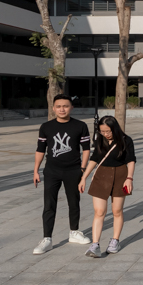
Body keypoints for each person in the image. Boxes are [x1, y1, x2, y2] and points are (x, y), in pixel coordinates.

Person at [32, 94, 90, 254]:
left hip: (73, 170)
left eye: (65, 106)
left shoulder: (80, 126)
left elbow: (86, 149)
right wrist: (36, 170)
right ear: (53, 108)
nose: (62, 109)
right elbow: (40, 150)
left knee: (74, 202)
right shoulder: (46, 127)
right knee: (49, 204)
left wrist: (83, 170)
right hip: (52, 171)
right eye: (58, 106)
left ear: (71, 107)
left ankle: (74, 232)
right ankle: (47, 239)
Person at [81, 114, 137, 257]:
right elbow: (94, 158)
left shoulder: (126, 140)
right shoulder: (100, 139)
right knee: (99, 211)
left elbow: (131, 160)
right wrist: (84, 177)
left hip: (120, 176)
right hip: (102, 176)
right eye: (102, 131)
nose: (105, 134)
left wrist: (129, 178)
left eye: (108, 131)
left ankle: (115, 241)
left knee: (117, 210)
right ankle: (95, 245)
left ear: (115, 129)